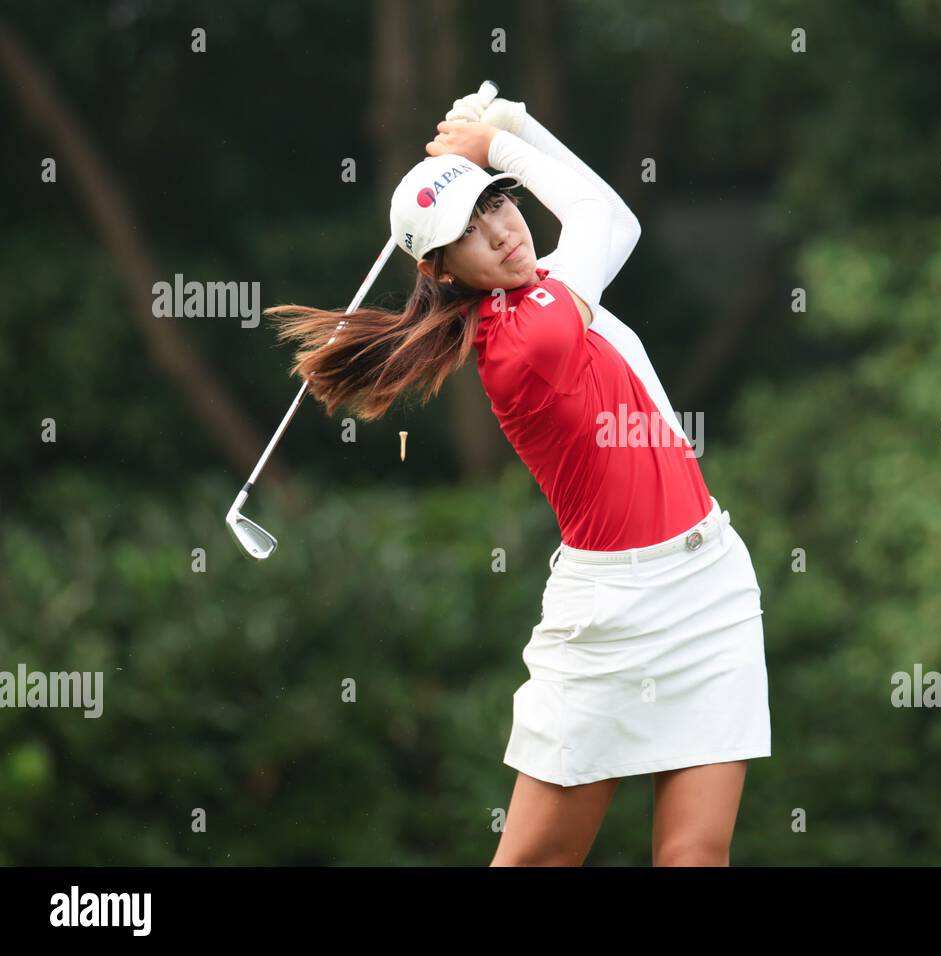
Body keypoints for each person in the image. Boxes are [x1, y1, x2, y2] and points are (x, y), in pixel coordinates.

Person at [267, 90, 771, 866]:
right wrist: (498, 145)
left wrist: (513, 131)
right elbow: (598, 218)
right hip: (608, 615)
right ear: (441, 271)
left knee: (695, 857)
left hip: (711, 586)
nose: (501, 232)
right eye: (468, 232)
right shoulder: (524, 334)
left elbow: (617, 225)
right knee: (536, 861)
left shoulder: (543, 290)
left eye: (497, 207)